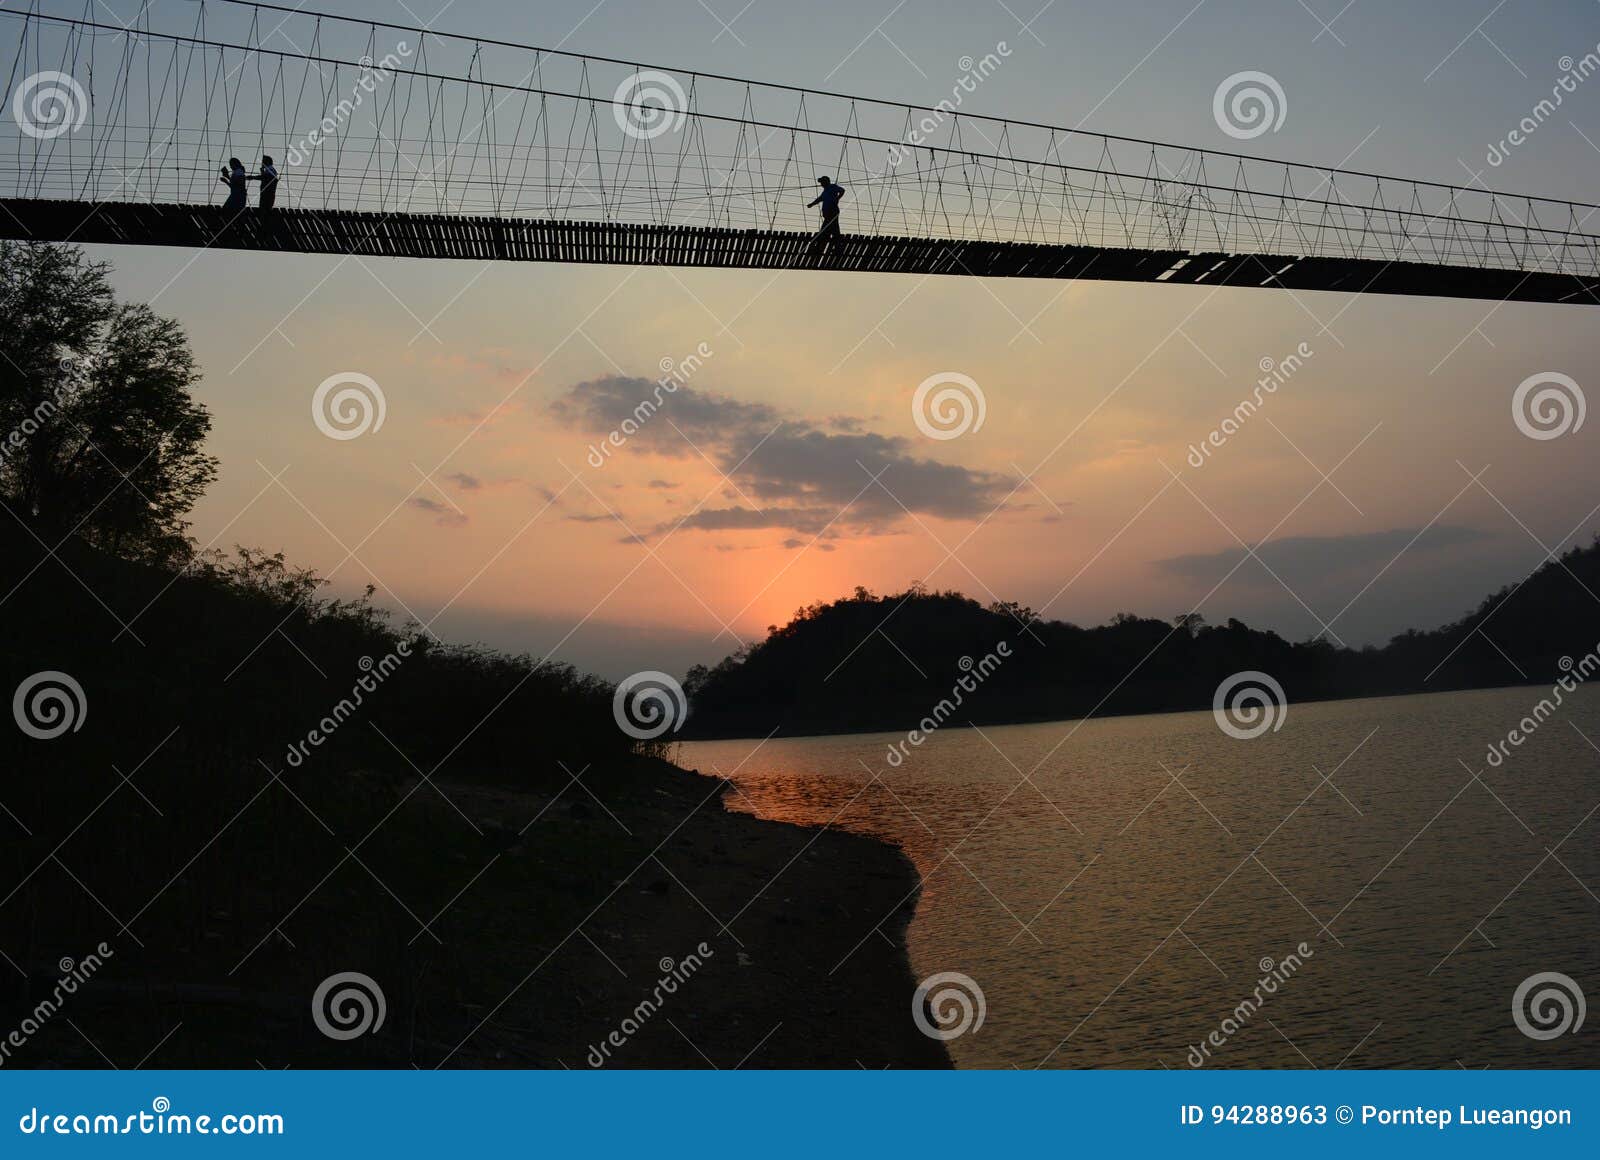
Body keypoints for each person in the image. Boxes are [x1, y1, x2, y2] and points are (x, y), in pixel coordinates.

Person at [807, 175, 845, 254]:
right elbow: (820, 199)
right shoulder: (825, 191)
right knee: (834, 230)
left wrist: (837, 198)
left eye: (822, 182)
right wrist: (812, 204)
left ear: (826, 181)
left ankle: (819, 248)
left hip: (832, 211)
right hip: (828, 212)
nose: (821, 184)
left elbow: (842, 190)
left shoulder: (832, 187)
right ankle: (838, 248)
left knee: (825, 229)